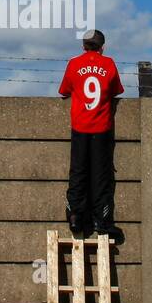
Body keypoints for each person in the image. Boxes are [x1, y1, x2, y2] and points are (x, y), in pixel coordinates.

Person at [58, 29, 124, 238]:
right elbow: (115, 90)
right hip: (101, 128)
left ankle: (75, 216)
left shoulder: (74, 64)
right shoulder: (109, 64)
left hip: (80, 126)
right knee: (101, 176)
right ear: (102, 47)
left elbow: (64, 91)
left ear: (83, 46)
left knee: (78, 172)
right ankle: (102, 221)